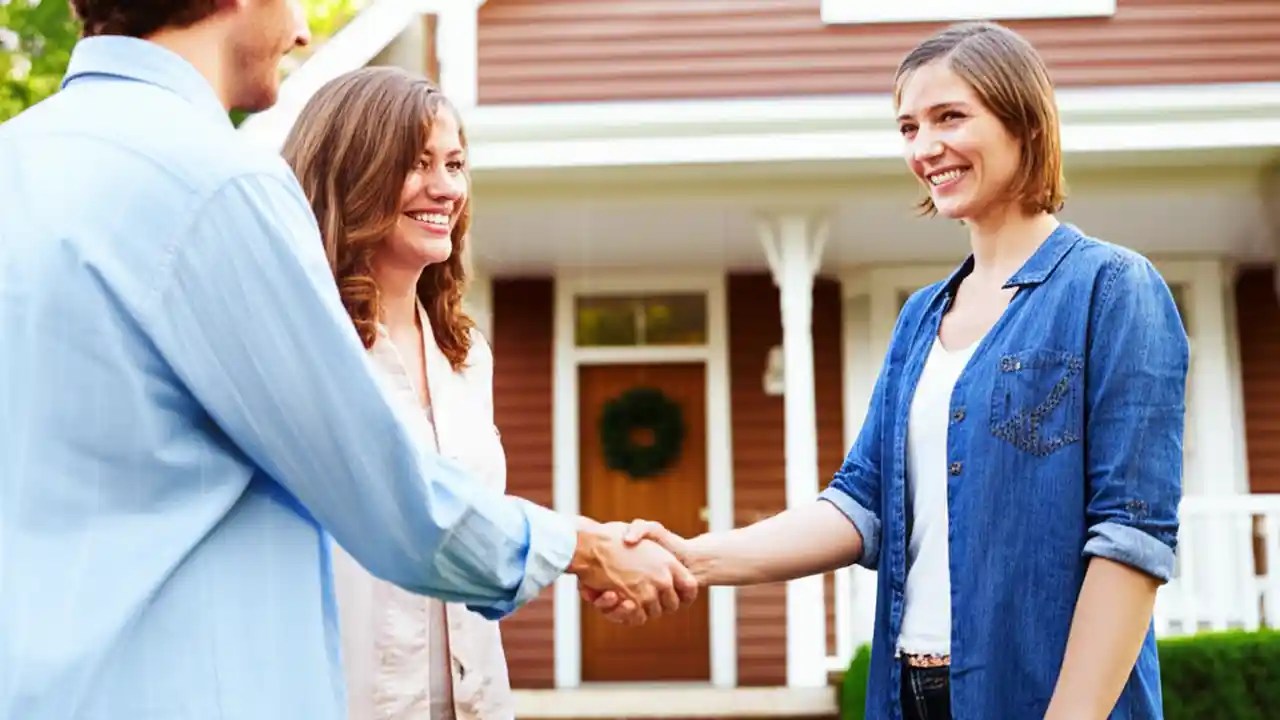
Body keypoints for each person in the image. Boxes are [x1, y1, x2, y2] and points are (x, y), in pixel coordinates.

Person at [0, 1, 694, 718]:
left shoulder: (15, 166)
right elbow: (390, 496)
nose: (302, 29)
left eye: (454, 165)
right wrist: (581, 546)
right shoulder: (219, 184)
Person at [592, 21, 1187, 720]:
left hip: (1038, 696)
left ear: (1023, 122)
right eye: (908, 127)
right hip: (911, 693)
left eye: (950, 117)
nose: (925, 148)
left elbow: (1130, 539)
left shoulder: (1113, 290)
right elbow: (859, 506)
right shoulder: (920, 320)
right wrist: (686, 558)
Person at [282, 67, 517, 719]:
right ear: (352, 173)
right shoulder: (303, 346)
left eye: (455, 164)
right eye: (417, 165)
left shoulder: (467, 359)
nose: (445, 188)